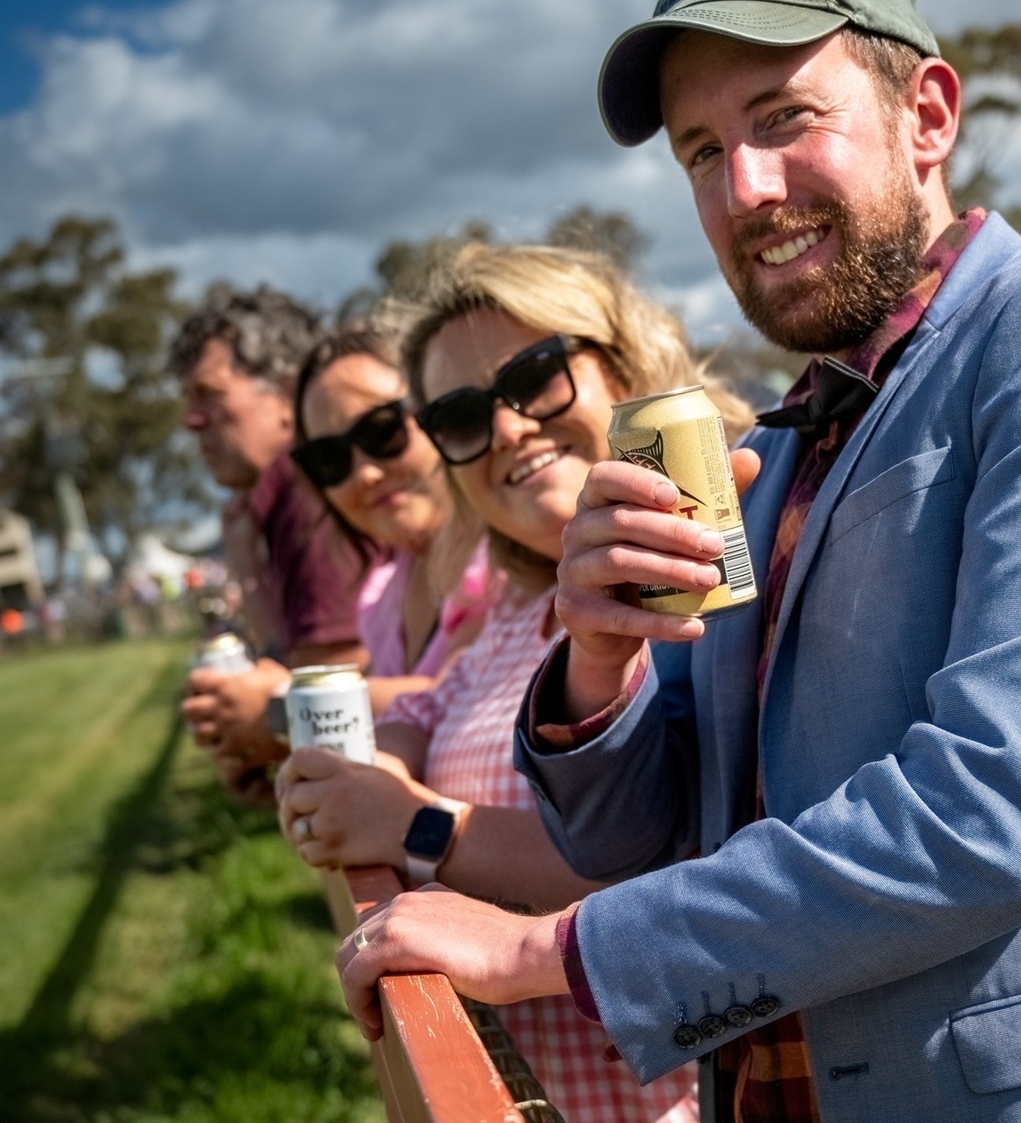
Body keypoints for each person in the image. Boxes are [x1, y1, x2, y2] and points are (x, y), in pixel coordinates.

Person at [336, 0, 1021, 1122]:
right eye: (702, 149)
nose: (744, 189)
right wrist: (598, 661)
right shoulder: (776, 443)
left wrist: (547, 954)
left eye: (786, 117)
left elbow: (1003, 808)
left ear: (929, 114)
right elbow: (641, 832)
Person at [284, 242, 752, 1123]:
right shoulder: (513, 607)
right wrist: (368, 768)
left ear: (623, 359)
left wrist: (413, 823)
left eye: (535, 377)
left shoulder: (708, 564)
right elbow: (426, 701)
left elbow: (688, 862)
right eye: (461, 415)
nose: (506, 430)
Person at [181, 304, 497, 776]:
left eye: (382, 430)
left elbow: (459, 695)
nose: (363, 472)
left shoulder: (503, 562)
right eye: (328, 459)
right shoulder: (385, 591)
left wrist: (279, 712)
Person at [170, 288, 369, 797]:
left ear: (285, 395)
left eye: (210, 395)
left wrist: (264, 732)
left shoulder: (310, 496)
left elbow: (337, 677)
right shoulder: (277, 504)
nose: (191, 421)